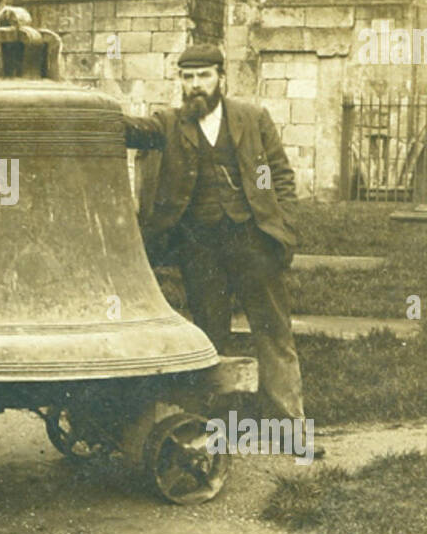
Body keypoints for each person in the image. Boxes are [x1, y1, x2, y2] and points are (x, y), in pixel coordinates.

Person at [123, 42, 309, 432]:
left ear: (221, 78)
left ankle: (289, 425)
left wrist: (283, 227)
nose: (195, 86)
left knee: (273, 331)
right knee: (208, 335)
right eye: (188, 78)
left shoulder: (252, 118)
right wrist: (94, 113)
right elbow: (136, 131)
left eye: (204, 76)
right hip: (199, 248)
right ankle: (206, 426)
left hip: (253, 241)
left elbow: (278, 175)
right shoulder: (171, 123)